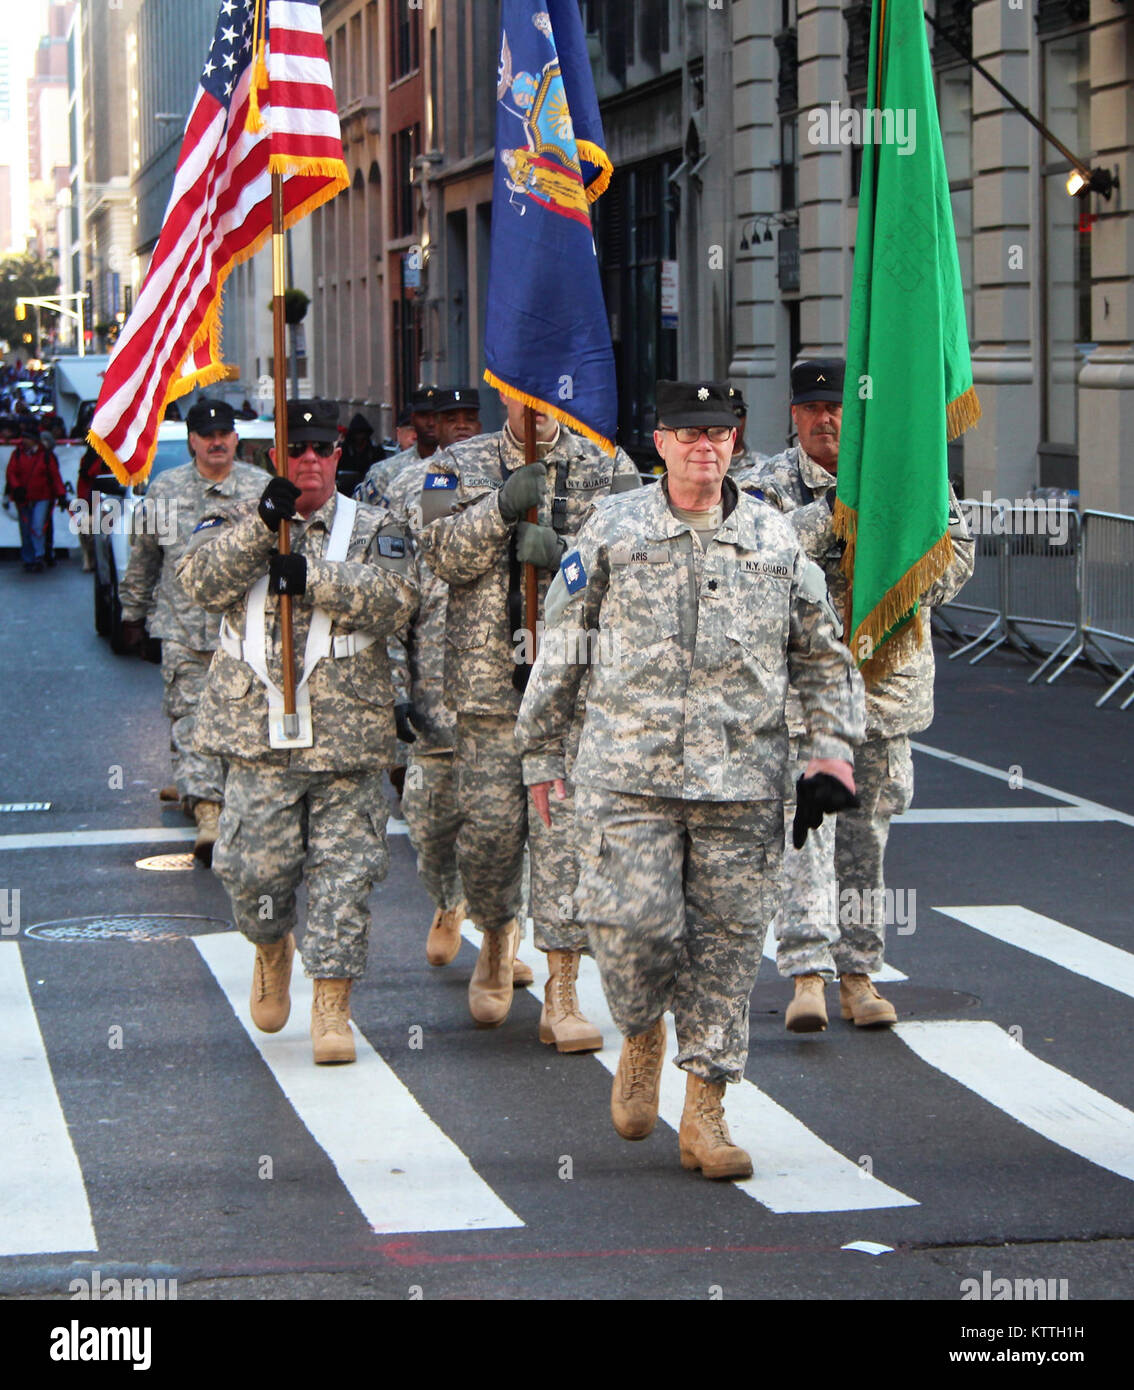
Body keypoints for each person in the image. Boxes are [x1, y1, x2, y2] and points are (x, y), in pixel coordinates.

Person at [515, 380, 864, 1179]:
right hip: (628, 778)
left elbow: (822, 656)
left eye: (719, 433)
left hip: (744, 785)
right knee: (635, 933)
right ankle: (641, 1032)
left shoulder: (775, 540)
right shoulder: (614, 528)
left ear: (736, 442)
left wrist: (830, 753)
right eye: (688, 433)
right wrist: (540, 752)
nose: (705, 446)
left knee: (728, 953)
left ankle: (706, 1111)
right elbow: (562, 642)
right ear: (661, 443)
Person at [177, 399, 418, 1065]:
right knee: (254, 874)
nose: (309, 461)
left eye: (321, 450)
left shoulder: (373, 525)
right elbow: (198, 582)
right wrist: (262, 529)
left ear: (339, 456)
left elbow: (400, 598)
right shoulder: (230, 518)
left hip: (348, 737)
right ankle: (269, 945)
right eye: (296, 450)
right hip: (259, 737)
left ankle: (332, 1004)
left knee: (346, 876)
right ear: (272, 458)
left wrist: (317, 577)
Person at [737, 358, 974, 1031]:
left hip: (883, 691)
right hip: (801, 696)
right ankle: (807, 972)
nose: (826, 419)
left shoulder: (906, 475)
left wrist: (899, 550)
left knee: (866, 839)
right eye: (811, 409)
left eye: (837, 407)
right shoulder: (764, 484)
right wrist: (837, 516)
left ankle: (860, 973)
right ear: (794, 417)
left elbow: (958, 556)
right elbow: (760, 559)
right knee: (806, 830)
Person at [418, 390, 642, 1047]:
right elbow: (441, 553)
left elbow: (636, 565)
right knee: (488, 841)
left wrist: (567, 556)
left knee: (563, 841)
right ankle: (494, 937)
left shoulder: (612, 465)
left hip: (572, 691)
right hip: (486, 693)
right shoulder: (452, 467)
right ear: (505, 389)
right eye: (525, 394)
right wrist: (500, 509)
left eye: (550, 394)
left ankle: (563, 991)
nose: (538, 406)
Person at [117, 398, 266, 859]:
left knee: (245, 725)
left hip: (247, 633)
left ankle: (233, 803)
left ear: (235, 439)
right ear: (193, 441)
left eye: (224, 433)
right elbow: (143, 556)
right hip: (183, 630)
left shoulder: (261, 489)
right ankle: (207, 812)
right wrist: (132, 615)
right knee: (192, 721)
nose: (217, 441)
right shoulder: (164, 491)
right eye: (207, 434)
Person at [355, 386, 440, 508]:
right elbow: (362, 517)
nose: (431, 422)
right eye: (424, 415)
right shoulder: (384, 472)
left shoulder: (462, 466)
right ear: (414, 419)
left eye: (436, 415)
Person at [4, 423, 66, 572]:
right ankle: (29, 558)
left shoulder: (45, 456)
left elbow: (54, 476)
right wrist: (17, 487)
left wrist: (61, 494)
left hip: (42, 496)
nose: (24, 441)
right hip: (24, 497)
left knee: (37, 526)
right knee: (26, 529)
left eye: (27, 438)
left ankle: (38, 556)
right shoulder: (17, 454)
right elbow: (11, 472)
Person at [335, 412, 382, 497]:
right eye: (357, 434)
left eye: (362, 434)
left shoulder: (375, 450)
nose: (359, 438)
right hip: (346, 490)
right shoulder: (344, 450)